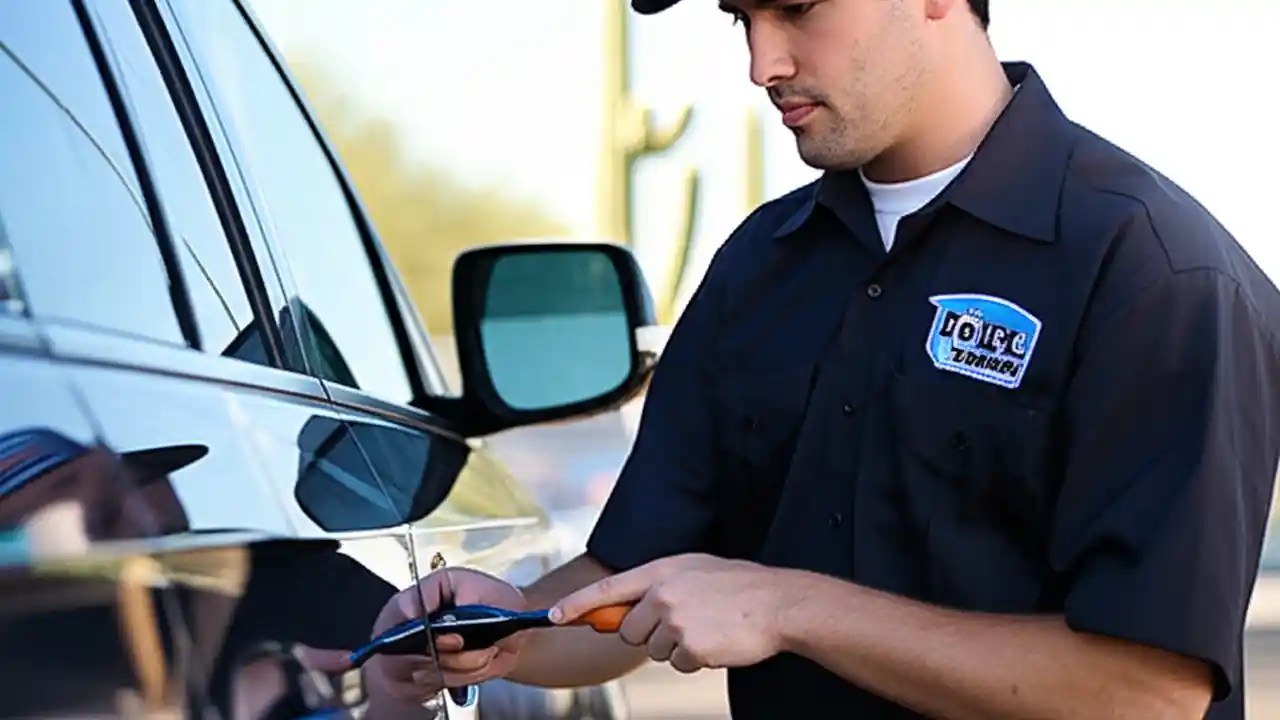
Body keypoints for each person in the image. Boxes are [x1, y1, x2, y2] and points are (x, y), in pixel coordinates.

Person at [329, 1, 1280, 717]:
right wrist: (512, 626)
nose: (761, 61)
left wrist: (791, 608)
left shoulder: (1155, 272)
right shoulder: (760, 265)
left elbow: (1146, 693)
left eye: (798, 8)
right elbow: (636, 583)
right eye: (741, 16)